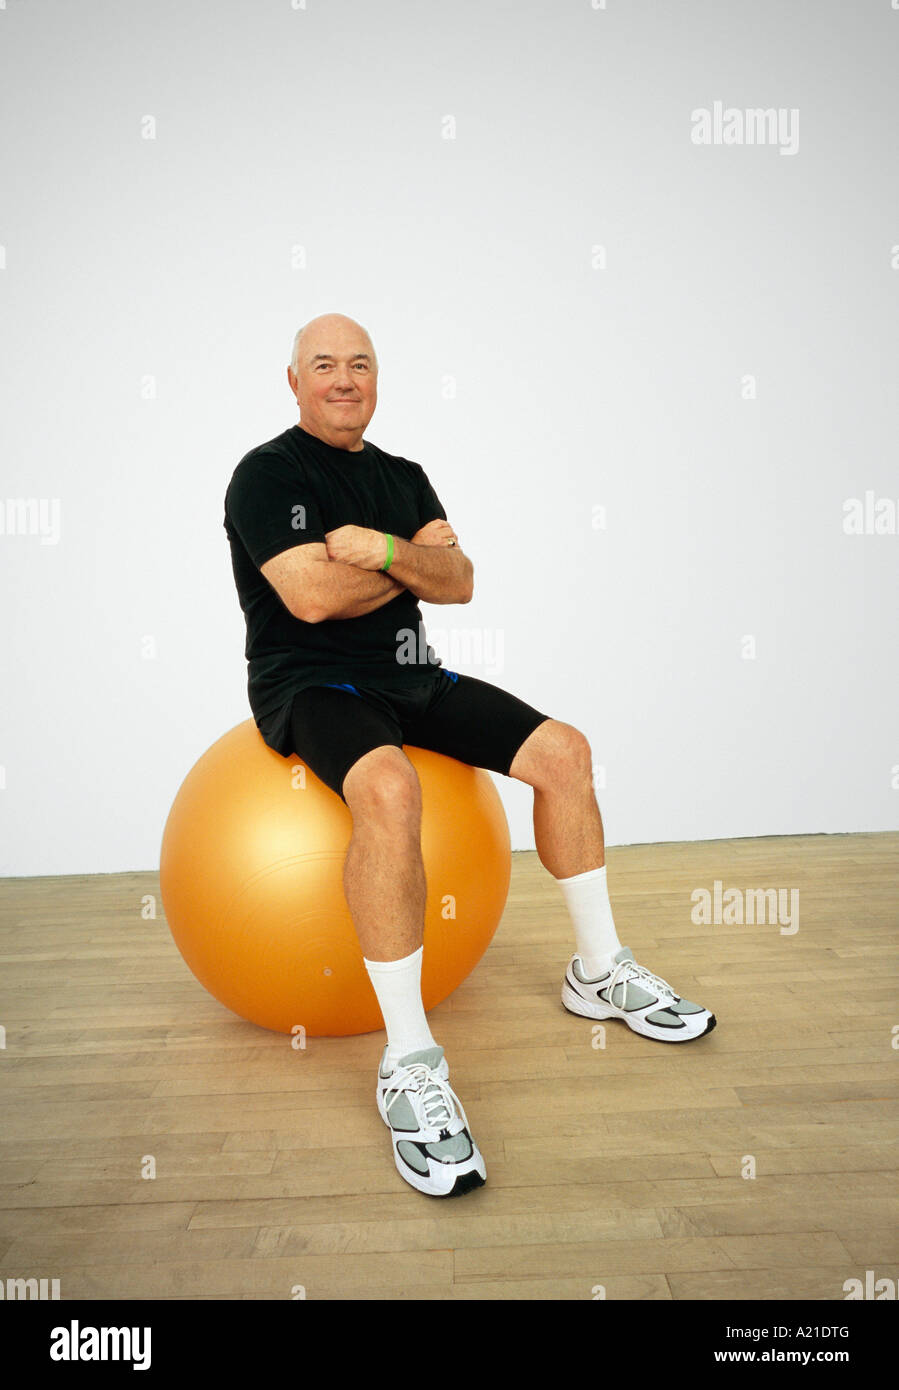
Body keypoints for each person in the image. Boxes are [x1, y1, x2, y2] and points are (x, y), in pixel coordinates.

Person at [223, 313, 716, 1199]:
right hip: (312, 686)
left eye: (360, 364)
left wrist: (377, 550)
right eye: (324, 365)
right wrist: (416, 562)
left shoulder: (401, 475)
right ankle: (409, 1061)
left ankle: (597, 971)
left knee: (563, 750)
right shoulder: (267, 474)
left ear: (378, 380)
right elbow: (306, 600)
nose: (344, 378)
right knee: (388, 784)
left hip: (411, 675)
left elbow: (462, 583)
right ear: (292, 381)